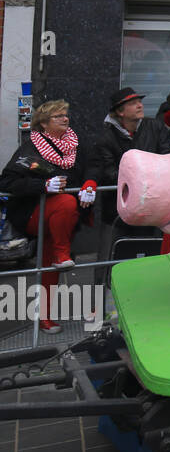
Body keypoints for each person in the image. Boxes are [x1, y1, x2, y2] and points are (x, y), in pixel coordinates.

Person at [0, 100, 98, 332]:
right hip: (34, 212)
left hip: (65, 218)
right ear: (43, 124)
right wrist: (42, 185)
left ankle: (45, 317)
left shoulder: (76, 143)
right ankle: (61, 254)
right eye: (58, 116)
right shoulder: (30, 147)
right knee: (64, 204)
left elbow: (92, 167)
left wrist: (90, 184)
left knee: (49, 266)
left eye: (66, 115)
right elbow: (7, 181)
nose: (65, 119)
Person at [89, 88, 170, 276]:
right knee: (109, 259)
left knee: (153, 257)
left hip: (153, 204)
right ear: (120, 111)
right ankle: (99, 299)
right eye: (133, 103)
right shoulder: (106, 138)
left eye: (140, 101)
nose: (140, 105)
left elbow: (167, 158)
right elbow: (110, 173)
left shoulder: (155, 127)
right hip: (118, 210)